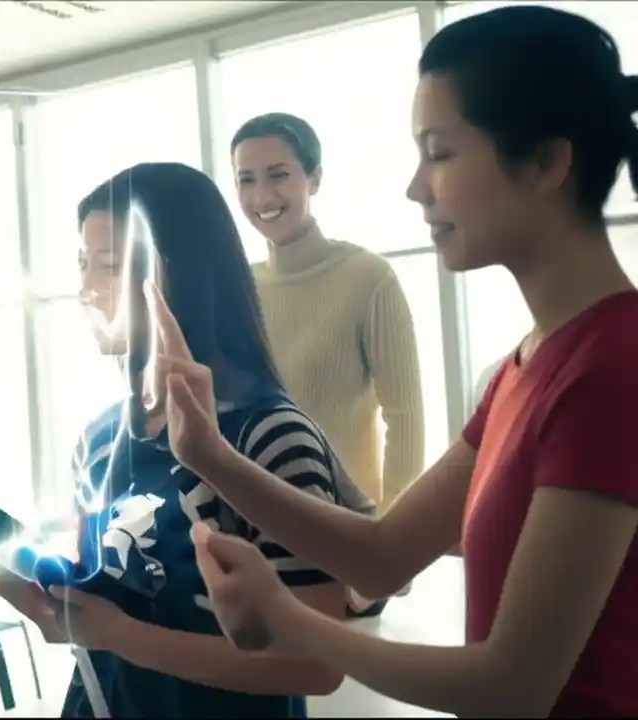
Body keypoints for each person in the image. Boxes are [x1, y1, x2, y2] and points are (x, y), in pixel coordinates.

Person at [163, 6, 638, 717]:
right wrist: (209, 454)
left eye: (440, 153)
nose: (417, 187)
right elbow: (383, 553)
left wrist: (291, 621)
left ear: (545, 161)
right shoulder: (525, 367)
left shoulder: (612, 368)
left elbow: (513, 686)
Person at [2, 162, 356, 718]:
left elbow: (316, 663)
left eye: (109, 266)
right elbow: (106, 595)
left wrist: (120, 635)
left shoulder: (268, 436)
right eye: (82, 264)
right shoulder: (98, 441)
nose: (86, 289)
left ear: (173, 274)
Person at [231, 112, 425, 512]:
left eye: (279, 175)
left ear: (315, 178)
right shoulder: (238, 289)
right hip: (258, 531)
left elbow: (405, 421)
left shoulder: (368, 278)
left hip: (348, 534)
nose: (262, 197)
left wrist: (393, 545)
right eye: (246, 179)